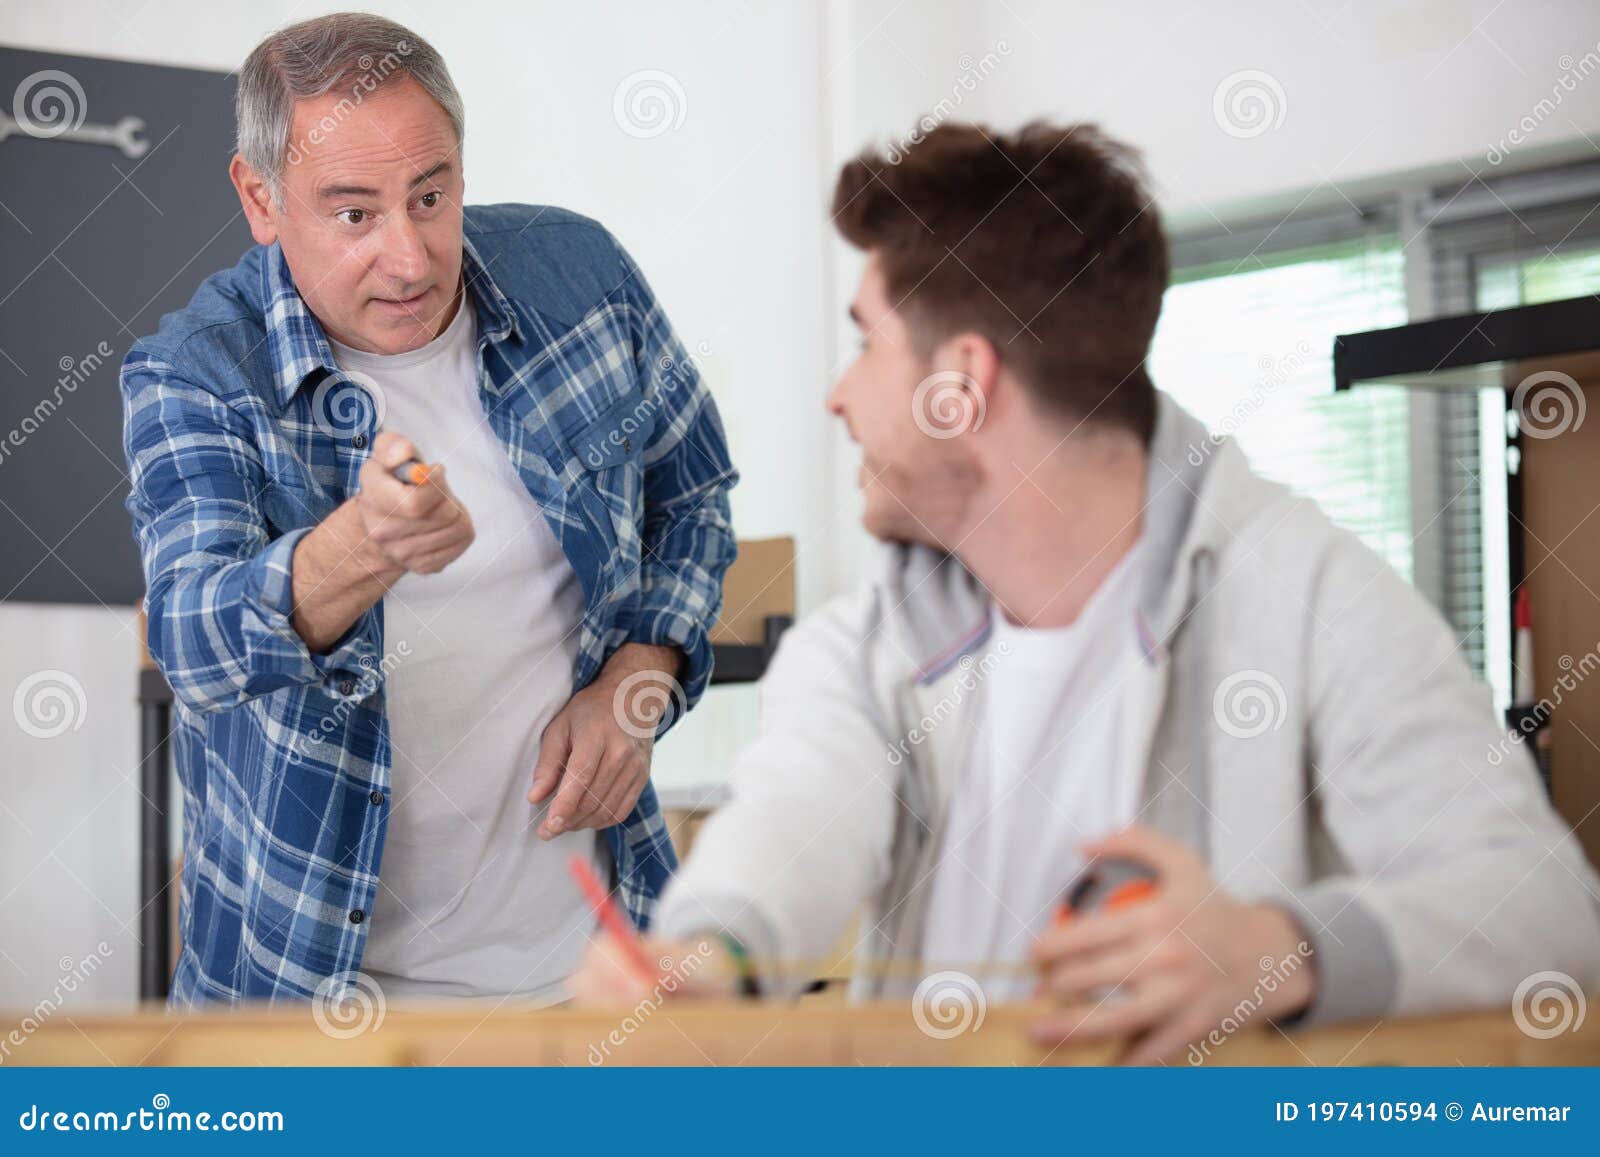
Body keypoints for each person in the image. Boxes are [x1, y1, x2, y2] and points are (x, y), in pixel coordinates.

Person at [569, 121, 1600, 1064]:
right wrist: (708, 955)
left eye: (866, 340)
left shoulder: (1310, 591)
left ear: (960, 383)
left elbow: (1550, 911)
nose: (839, 395)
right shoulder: (864, 645)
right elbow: (795, 820)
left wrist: (1278, 947)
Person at [119, 13, 736, 1006]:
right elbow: (192, 638)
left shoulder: (579, 275)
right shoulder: (195, 372)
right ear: (260, 197)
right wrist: (363, 546)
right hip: (306, 999)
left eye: (431, 196)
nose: (410, 258)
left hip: (592, 974)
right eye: (354, 214)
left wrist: (640, 673)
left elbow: (693, 497)